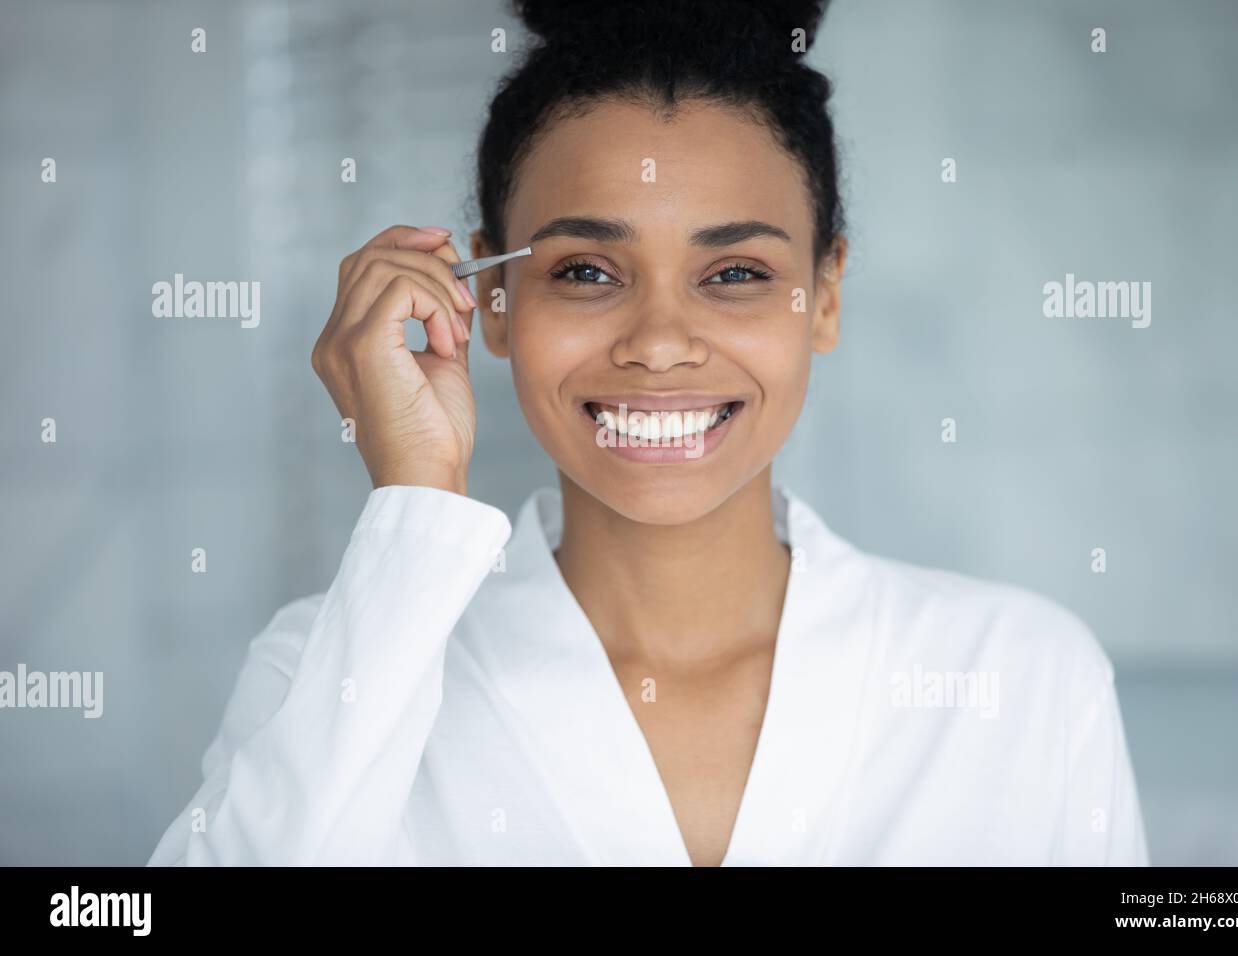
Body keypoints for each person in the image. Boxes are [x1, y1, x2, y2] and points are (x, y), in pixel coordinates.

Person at [148, 0, 1149, 866]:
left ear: (825, 293)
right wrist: (412, 494)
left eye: (735, 274)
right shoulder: (338, 666)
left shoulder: (1023, 679)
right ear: (492, 299)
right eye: (585, 270)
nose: (660, 344)